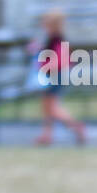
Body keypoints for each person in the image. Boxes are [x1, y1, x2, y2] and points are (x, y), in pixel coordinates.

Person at [28, 8, 86, 146]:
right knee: (47, 108)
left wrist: (44, 64)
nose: (43, 24)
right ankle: (47, 135)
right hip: (51, 75)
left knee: (52, 108)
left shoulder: (58, 40)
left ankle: (76, 126)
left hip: (54, 76)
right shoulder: (52, 39)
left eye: (46, 21)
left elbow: (62, 60)